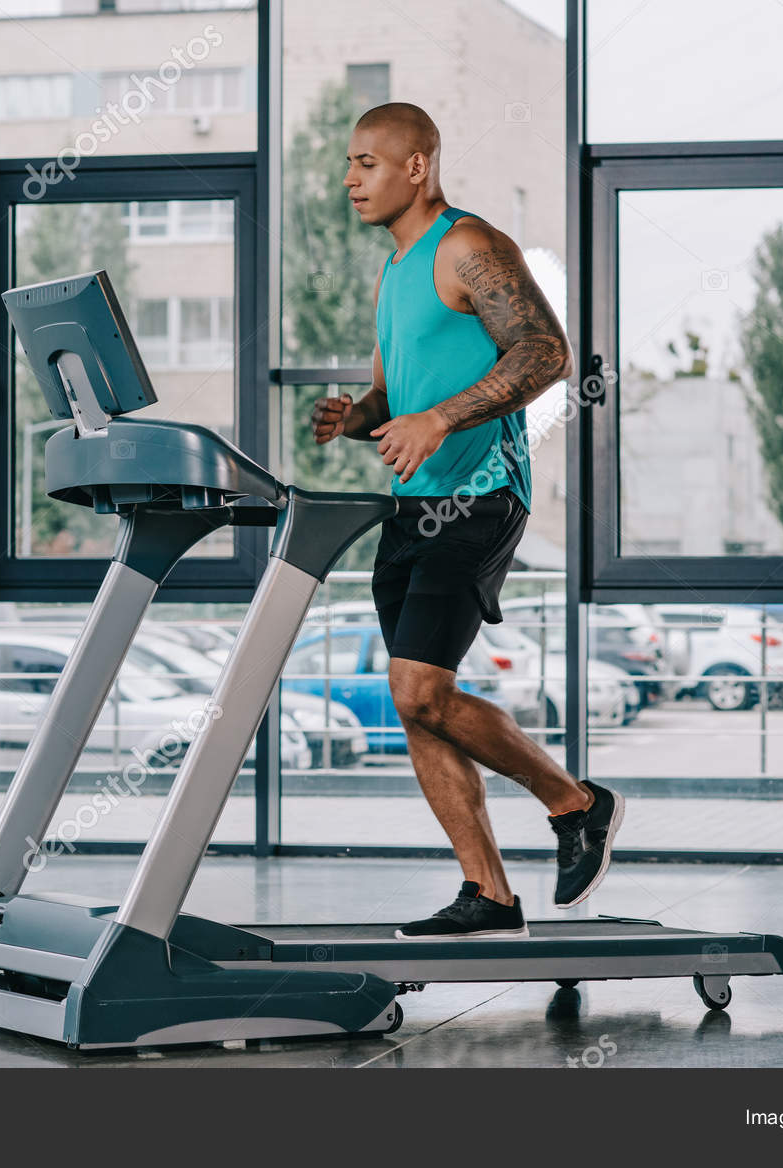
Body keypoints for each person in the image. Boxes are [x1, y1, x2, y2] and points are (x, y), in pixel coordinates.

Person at [310, 102, 623, 940]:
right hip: (414, 508)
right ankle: (488, 893)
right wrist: (358, 414)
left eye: (367, 163)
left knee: (419, 689)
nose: (350, 178)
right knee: (417, 704)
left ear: (417, 166)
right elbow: (394, 395)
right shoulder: (396, 270)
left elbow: (545, 352)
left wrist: (440, 421)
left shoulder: (467, 244)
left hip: (481, 494)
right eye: (349, 163)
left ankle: (576, 803)